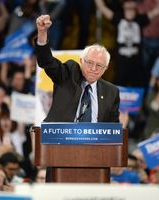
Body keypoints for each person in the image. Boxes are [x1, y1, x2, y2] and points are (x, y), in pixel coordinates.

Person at [35, 14, 120, 182]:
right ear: (81, 61)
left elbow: (112, 131)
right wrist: (42, 33)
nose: (94, 68)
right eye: (89, 63)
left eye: (99, 65)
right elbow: (47, 62)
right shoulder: (69, 73)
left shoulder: (111, 92)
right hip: (61, 152)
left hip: (96, 160)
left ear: (106, 68)